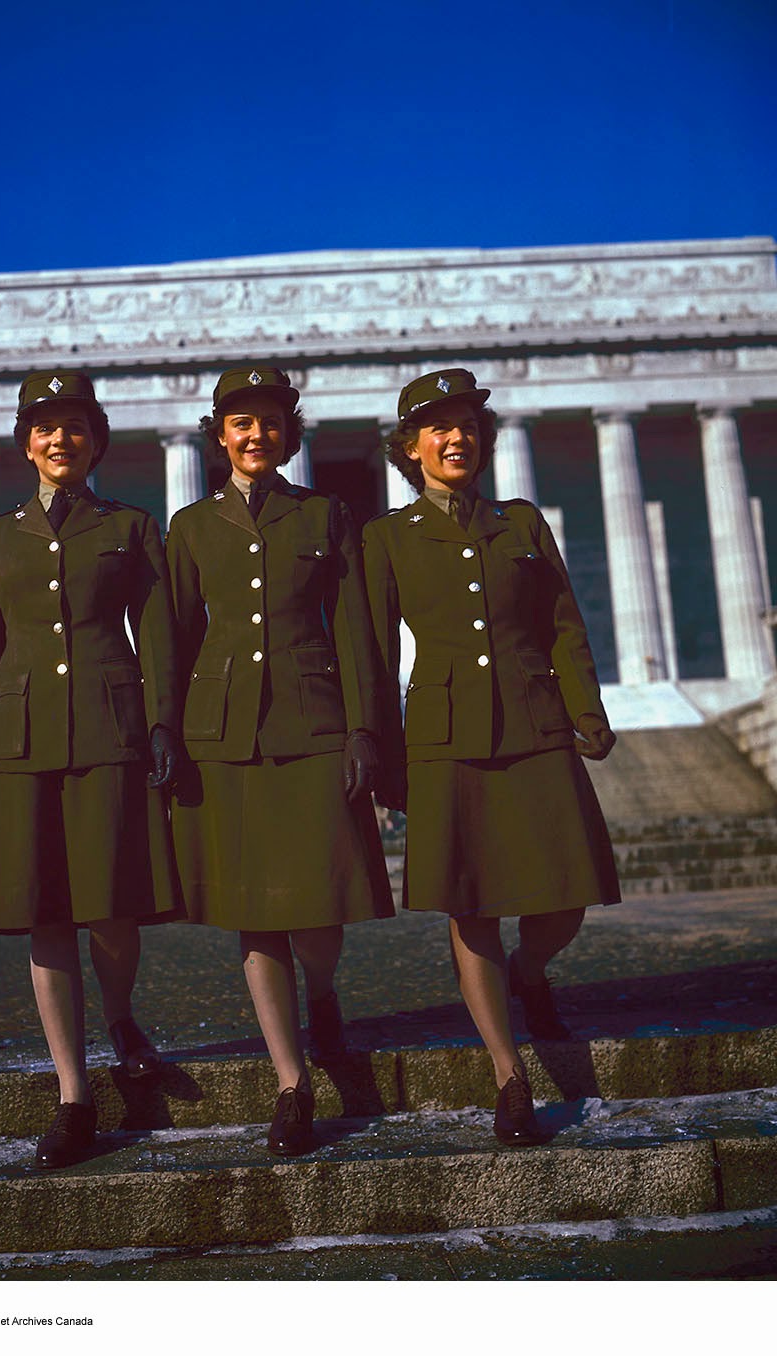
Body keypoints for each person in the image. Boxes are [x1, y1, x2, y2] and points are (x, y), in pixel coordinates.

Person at [363, 368, 620, 1146]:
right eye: (437, 429)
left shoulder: (521, 523)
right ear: (410, 448)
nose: (455, 439)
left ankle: (530, 973)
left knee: (567, 894)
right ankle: (509, 1075)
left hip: (536, 721)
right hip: (444, 738)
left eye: (467, 426)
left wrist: (587, 704)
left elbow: (561, 624)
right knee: (470, 906)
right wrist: (382, 759)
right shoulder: (387, 537)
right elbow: (375, 658)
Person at [0, 370, 182, 1171]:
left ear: (94, 442)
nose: (60, 440)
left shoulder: (129, 526)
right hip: (19, 741)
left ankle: (119, 1014)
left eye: (75, 428)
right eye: (45, 428)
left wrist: (163, 724)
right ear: (26, 444)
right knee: (45, 913)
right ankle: (74, 1096)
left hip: (110, 729)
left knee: (113, 906)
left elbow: (156, 638)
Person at [166, 365, 394, 1156]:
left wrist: (366, 731)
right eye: (241, 423)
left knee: (320, 909)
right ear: (220, 435)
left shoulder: (328, 514)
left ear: (287, 436)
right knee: (254, 916)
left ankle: (323, 991)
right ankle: (292, 1082)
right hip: (224, 739)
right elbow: (176, 638)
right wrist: (167, 731)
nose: (255, 435)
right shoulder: (190, 527)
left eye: (269, 423)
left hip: (314, 725)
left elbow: (357, 631)